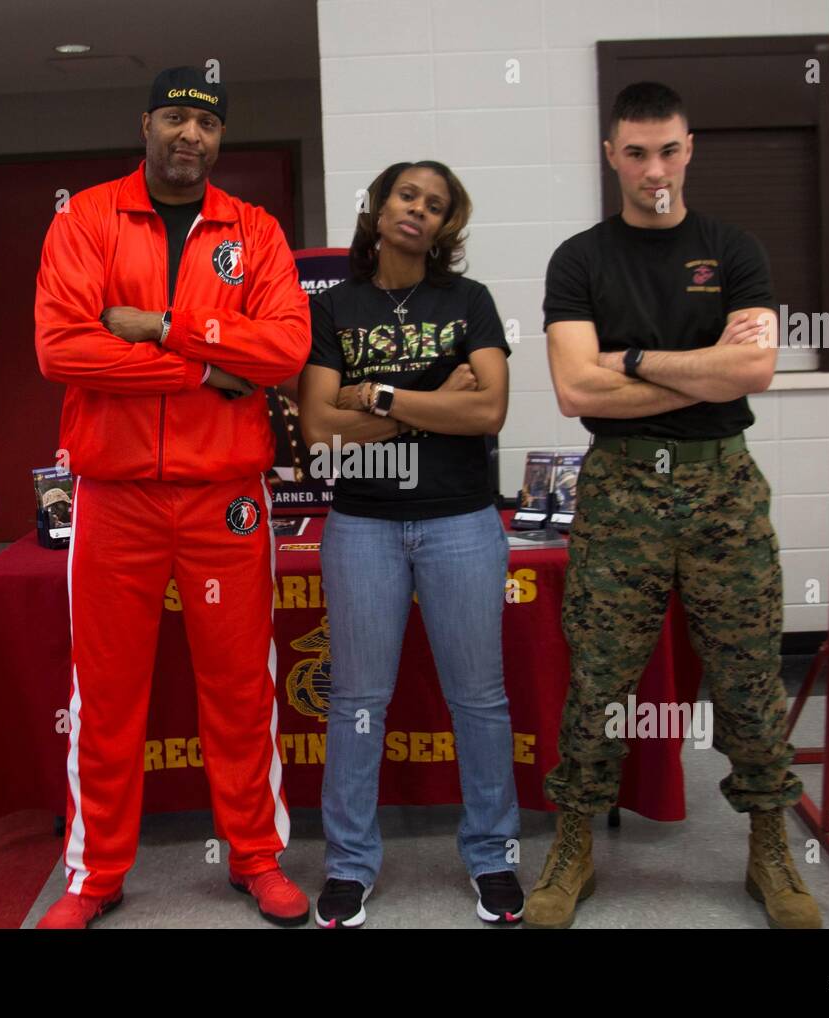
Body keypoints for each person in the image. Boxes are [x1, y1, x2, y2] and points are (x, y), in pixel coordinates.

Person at [526, 82, 820, 930]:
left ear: (689, 151)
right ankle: (573, 843)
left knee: (749, 678)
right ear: (611, 155)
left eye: (669, 150)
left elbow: (754, 371)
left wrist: (639, 358)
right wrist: (697, 363)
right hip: (620, 491)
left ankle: (770, 847)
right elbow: (577, 389)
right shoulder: (580, 259)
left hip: (724, 486)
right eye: (636, 151)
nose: (654, 168)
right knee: (601, 678)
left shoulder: (734, 249)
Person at [33, 67, 312, 929]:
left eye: (207, 122)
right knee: (107, 692)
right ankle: (95, 874)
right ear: (145, 122)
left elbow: (285, 351)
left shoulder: (254, 230)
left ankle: (256, 858)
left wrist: (161, 328)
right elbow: (62, 350)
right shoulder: (84, 218)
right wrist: (207, 369)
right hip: (116, 495)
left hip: (226, 495)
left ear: (220, 137)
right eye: (176, 117)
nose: (190, 134)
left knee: (239, 687)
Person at [298, 160, 521, 927]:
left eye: (435, 204)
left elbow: (488, 408)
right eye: (406, 196)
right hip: (361, 524)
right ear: (379, 206)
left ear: (446, 224)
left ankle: (493, 854)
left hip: (462, 520)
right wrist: (427, 406)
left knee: (480, 699)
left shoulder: (470, 301)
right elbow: (321, 431)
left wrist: (381, 395)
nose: (418, 211)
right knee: (357, 701)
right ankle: (350, 865)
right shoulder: (336, 307)